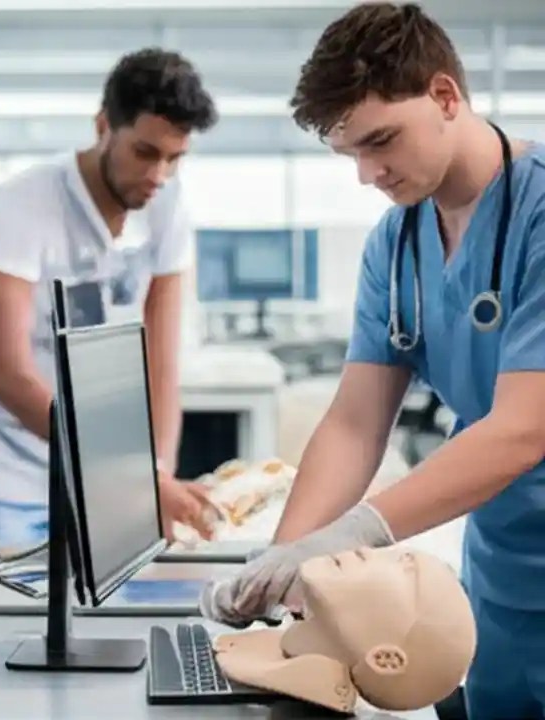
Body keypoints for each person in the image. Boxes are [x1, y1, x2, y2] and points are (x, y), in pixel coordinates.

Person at [199, 5, 545, 719]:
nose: (368, 173)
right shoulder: (396, 244)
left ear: (445, 96)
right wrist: (282, 560)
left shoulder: (539, 215)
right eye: (350, 153)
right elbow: (357, 423)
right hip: (502, 573)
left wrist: (357, 530)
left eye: (381, 141)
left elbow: (524, 429)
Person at [0, 48, 219, 543]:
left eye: (175, 159)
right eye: (145, 152)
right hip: (0, 476)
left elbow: (160, 364)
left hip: (100, 473)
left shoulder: (166, 205)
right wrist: (128, 475)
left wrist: (154, 473)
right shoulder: (19, 206)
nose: (159, 175)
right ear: (103, 126)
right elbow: (3, 372)